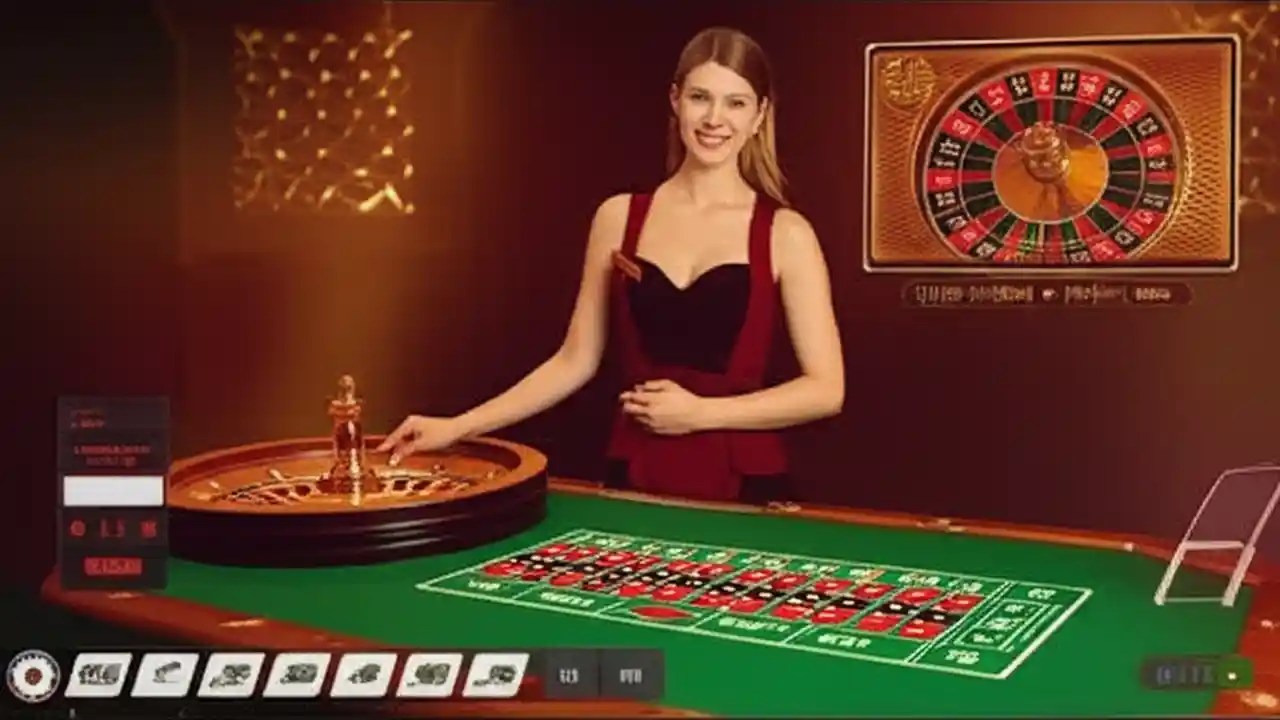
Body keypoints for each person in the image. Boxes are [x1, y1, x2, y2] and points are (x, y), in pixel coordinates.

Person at [378, 27, 844, 503]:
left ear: (759, 114)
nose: (714, 119)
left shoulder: (785, 232)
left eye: (736, 103)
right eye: (700, 97)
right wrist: (459, 426)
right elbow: (573, 360)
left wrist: (701, 413)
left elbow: (827, 390)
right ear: (675, 99)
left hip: (745, 482)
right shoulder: (618, 217)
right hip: (635, 472)